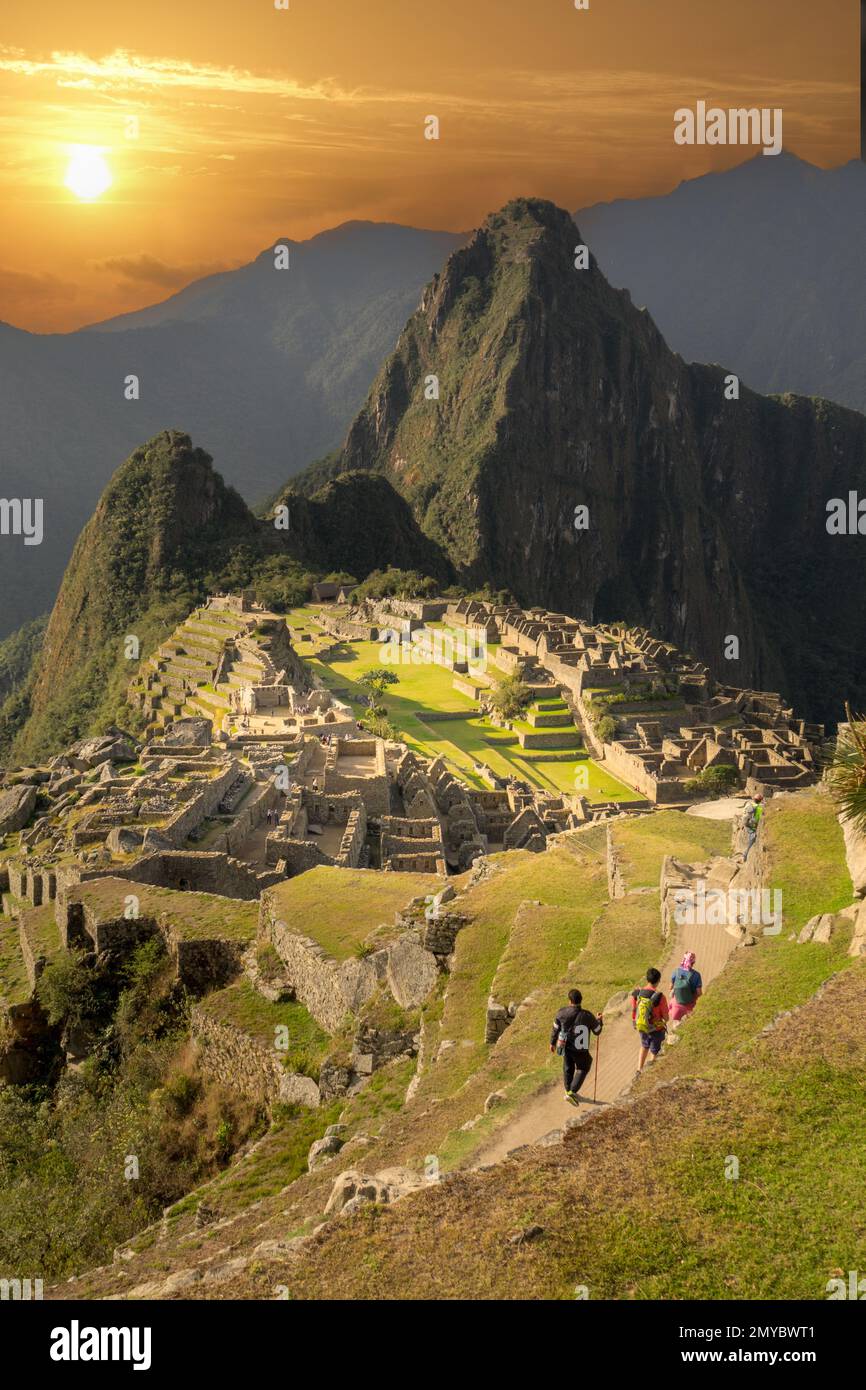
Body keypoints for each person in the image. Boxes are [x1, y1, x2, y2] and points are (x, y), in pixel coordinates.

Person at [550, 988, 603, 1106]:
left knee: (568, 1068)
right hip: (581, 1049)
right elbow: (597, 1031)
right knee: (583, 1067)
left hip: (567, 1047)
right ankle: (571, 1092)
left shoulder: (561, 1012)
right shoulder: (587, 1015)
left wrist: (552, 1043)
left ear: (570, 1001)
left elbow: (555, 1029)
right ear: (581, 1000)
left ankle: (568, 1089)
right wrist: (600, 1021)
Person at [631, 967, 669, 1072]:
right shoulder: (660, 997)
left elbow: (634, 1010)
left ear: (647, 979)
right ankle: (649, 1071)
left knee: (644, 1045)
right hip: (656, 1029)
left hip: (641, 1026)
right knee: (655, 1051)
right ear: (658, 981)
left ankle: (639, 1070)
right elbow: (666, 1018)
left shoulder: (637, 994)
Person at [669, 951, 702, 1026]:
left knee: (676, 1025)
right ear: (693, 962)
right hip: (690, 1005)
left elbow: (670, 987)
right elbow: (699, 993)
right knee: (689, 1025)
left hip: (676, 1005)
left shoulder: (676, 971)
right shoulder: (696, 975)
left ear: (683, 959)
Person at [741, 792, 764, 861]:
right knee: (752, 839)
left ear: (754, 799)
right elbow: (757, 818)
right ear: (760, 800)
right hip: (752, 826)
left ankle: (744, 854)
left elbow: (744, 814)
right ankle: (744, 856)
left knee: (749, 839)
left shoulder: (749, 804)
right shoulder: (759, 808)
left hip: (745, 824)